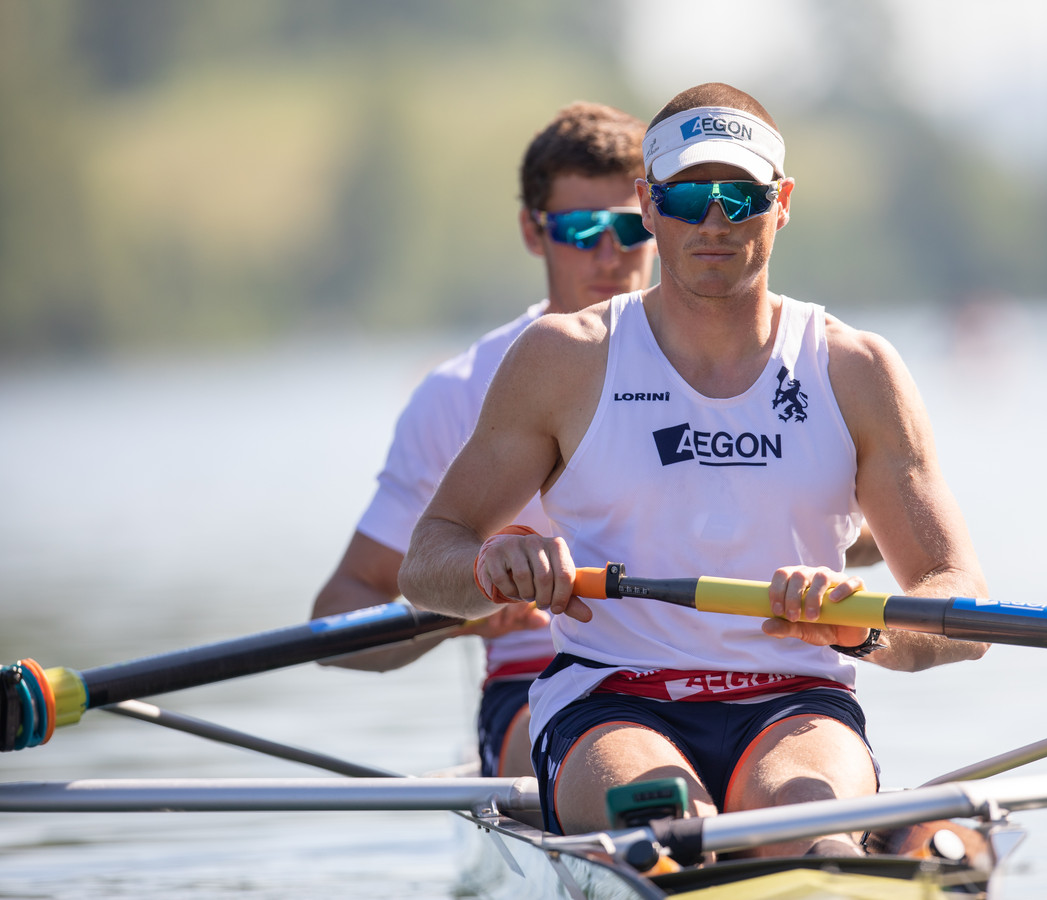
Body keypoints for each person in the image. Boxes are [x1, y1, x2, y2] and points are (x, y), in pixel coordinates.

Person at [398, 83, 988, 854]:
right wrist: (491, 568)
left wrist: (867, 629)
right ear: (648, 204)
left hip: (797, 703)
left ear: (781, 203)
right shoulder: (565, 359)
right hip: (611, 701)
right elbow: (426, 562)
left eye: (739, 196)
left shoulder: (857, 370)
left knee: (808, 823)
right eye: (686, 195)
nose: (713, 220)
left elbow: (961, 606)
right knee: (670, 820)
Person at [310, 101, 659, 778]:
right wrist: (463, 605)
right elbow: (339, 613)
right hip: (540, 687)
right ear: (533, 230)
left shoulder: (716, 371)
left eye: (628, 227)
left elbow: (853, 532)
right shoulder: (458, 394)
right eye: (581, 229)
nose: (610, 255)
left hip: (719, 675)